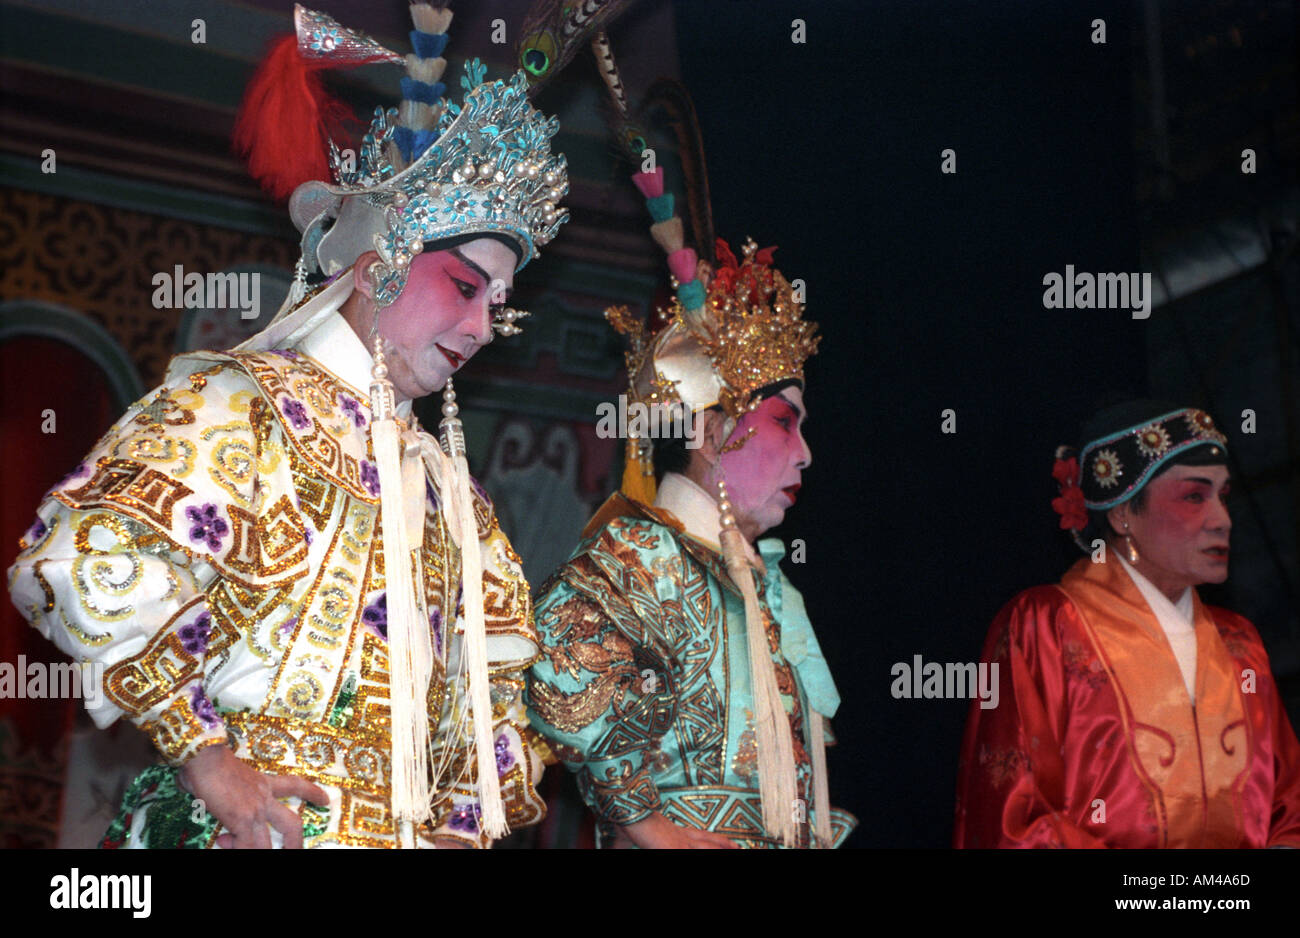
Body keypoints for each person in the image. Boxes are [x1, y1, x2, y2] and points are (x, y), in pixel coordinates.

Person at [7, 4, 568, 848]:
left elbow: (498, 699)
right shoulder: (244, 407)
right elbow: (77, 561)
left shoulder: (456, 500)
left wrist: (456, 828)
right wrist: (206, 760)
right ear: (378, 262)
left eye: (500, 302)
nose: (485, 326)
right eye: (465, 285)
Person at [525, 174, 855, 846]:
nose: (805, 455)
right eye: (784, 423)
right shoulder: (645, 555)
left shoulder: (765, 583)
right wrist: (647, 824)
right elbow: (555, 663)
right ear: (707, 432)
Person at [953, 400, 1300, 848]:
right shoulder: (1044, 627)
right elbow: (1011, 815)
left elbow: (1287, 803)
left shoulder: (1239, 642)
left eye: (1223, 496)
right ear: (1122, 515)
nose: (1223, 521)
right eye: (1195, 497)